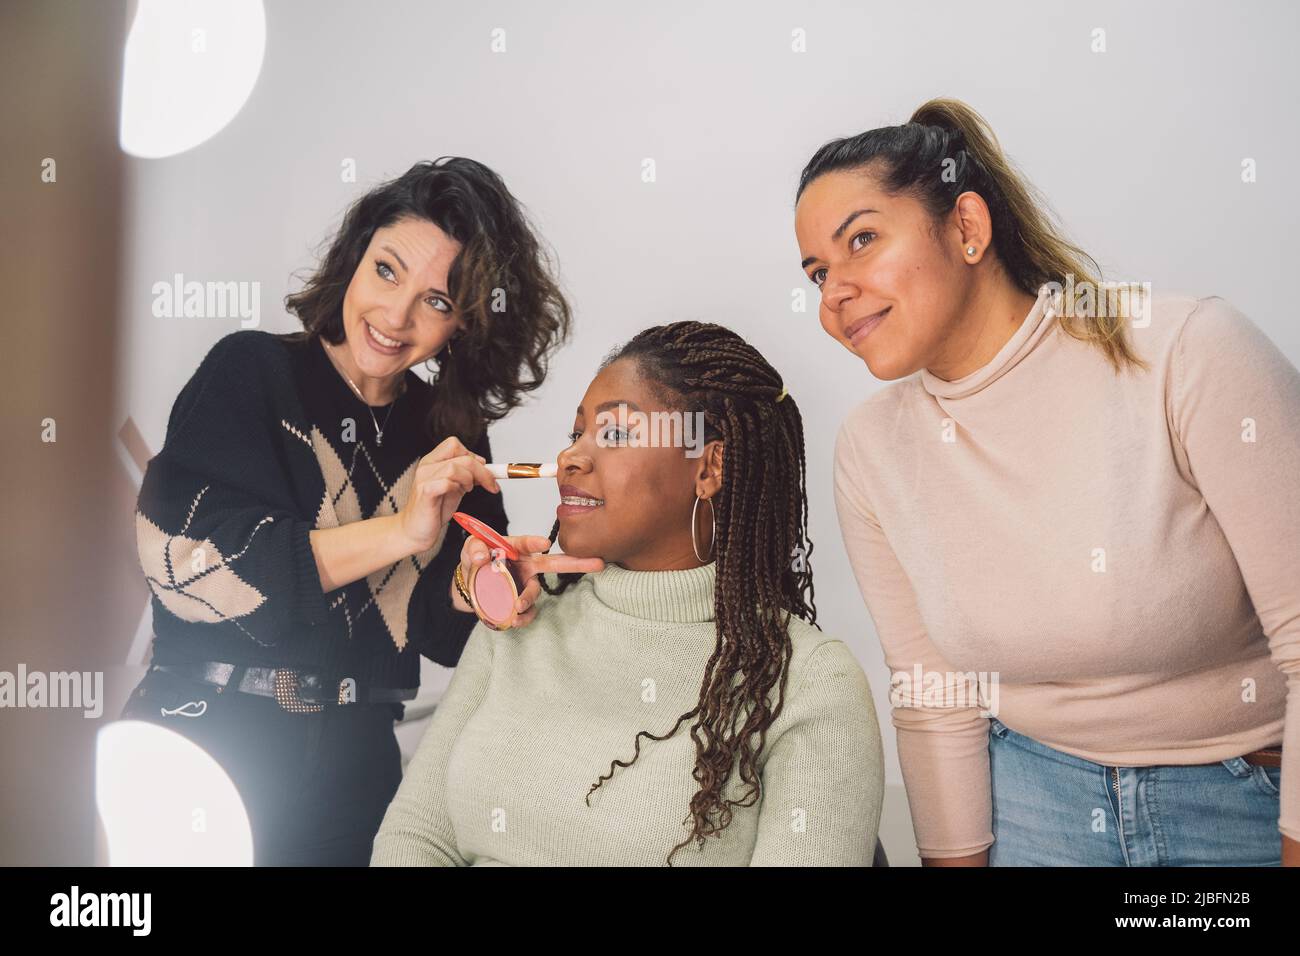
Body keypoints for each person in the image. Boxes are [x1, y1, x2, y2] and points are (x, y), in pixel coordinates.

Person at [795, 98, 1300, 866]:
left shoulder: (1188, 355)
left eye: (862, 241)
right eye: (818, 272)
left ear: (967, 227)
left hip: (1242, 801)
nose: (834, 293)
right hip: (1031, 800)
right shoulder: (871, 447)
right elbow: (936, 696)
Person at [120, 158, 595, 865]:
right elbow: (197, 567)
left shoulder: (449, 432)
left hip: (358, 765)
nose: (397, 316)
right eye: (387, 271)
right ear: (354, 257)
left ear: (465, 323)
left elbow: (441, 631)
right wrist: (402, 530)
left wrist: (481, 585)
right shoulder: (251, 372)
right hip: (206, 736)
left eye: (438, 301)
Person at [371, 322, 885, 865]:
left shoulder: (811, 683)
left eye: (615, 434)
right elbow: (415, 839)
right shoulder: (522, 618)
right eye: (576, 435)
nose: (571, 459)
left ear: (709, 467)